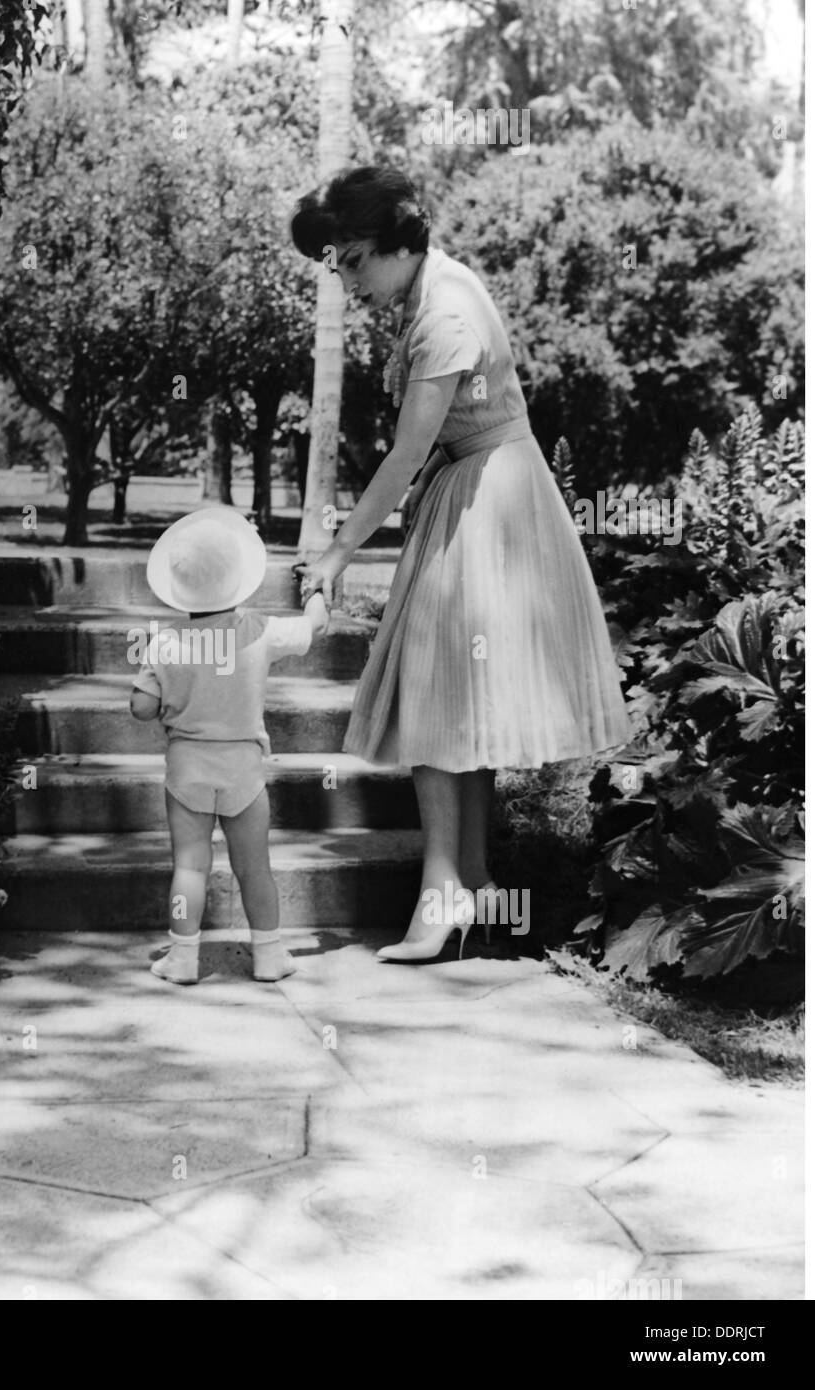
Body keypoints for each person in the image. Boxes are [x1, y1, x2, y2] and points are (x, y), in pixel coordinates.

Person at [290, 166, 632, 963]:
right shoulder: (436, 287)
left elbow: (410, 450)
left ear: (395, 244)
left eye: (352, 261)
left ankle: (445, 897)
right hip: (476, 488)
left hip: (489, 500)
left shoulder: (444, 310)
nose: (346, 281)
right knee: (456, 700)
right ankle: (471, 881)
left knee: (438, 696)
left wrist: (339, 551)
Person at [130, 507, 329, 984]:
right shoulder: (258, 631)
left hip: (187, 769)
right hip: (243, 767)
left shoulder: (164, 643)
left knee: (190, 867)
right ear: (239, 578)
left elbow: (141, 707)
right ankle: (269, 953)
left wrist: (153, 693)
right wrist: (317, 590)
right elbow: (315, 629)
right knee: (254, 867)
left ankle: (182, 957)